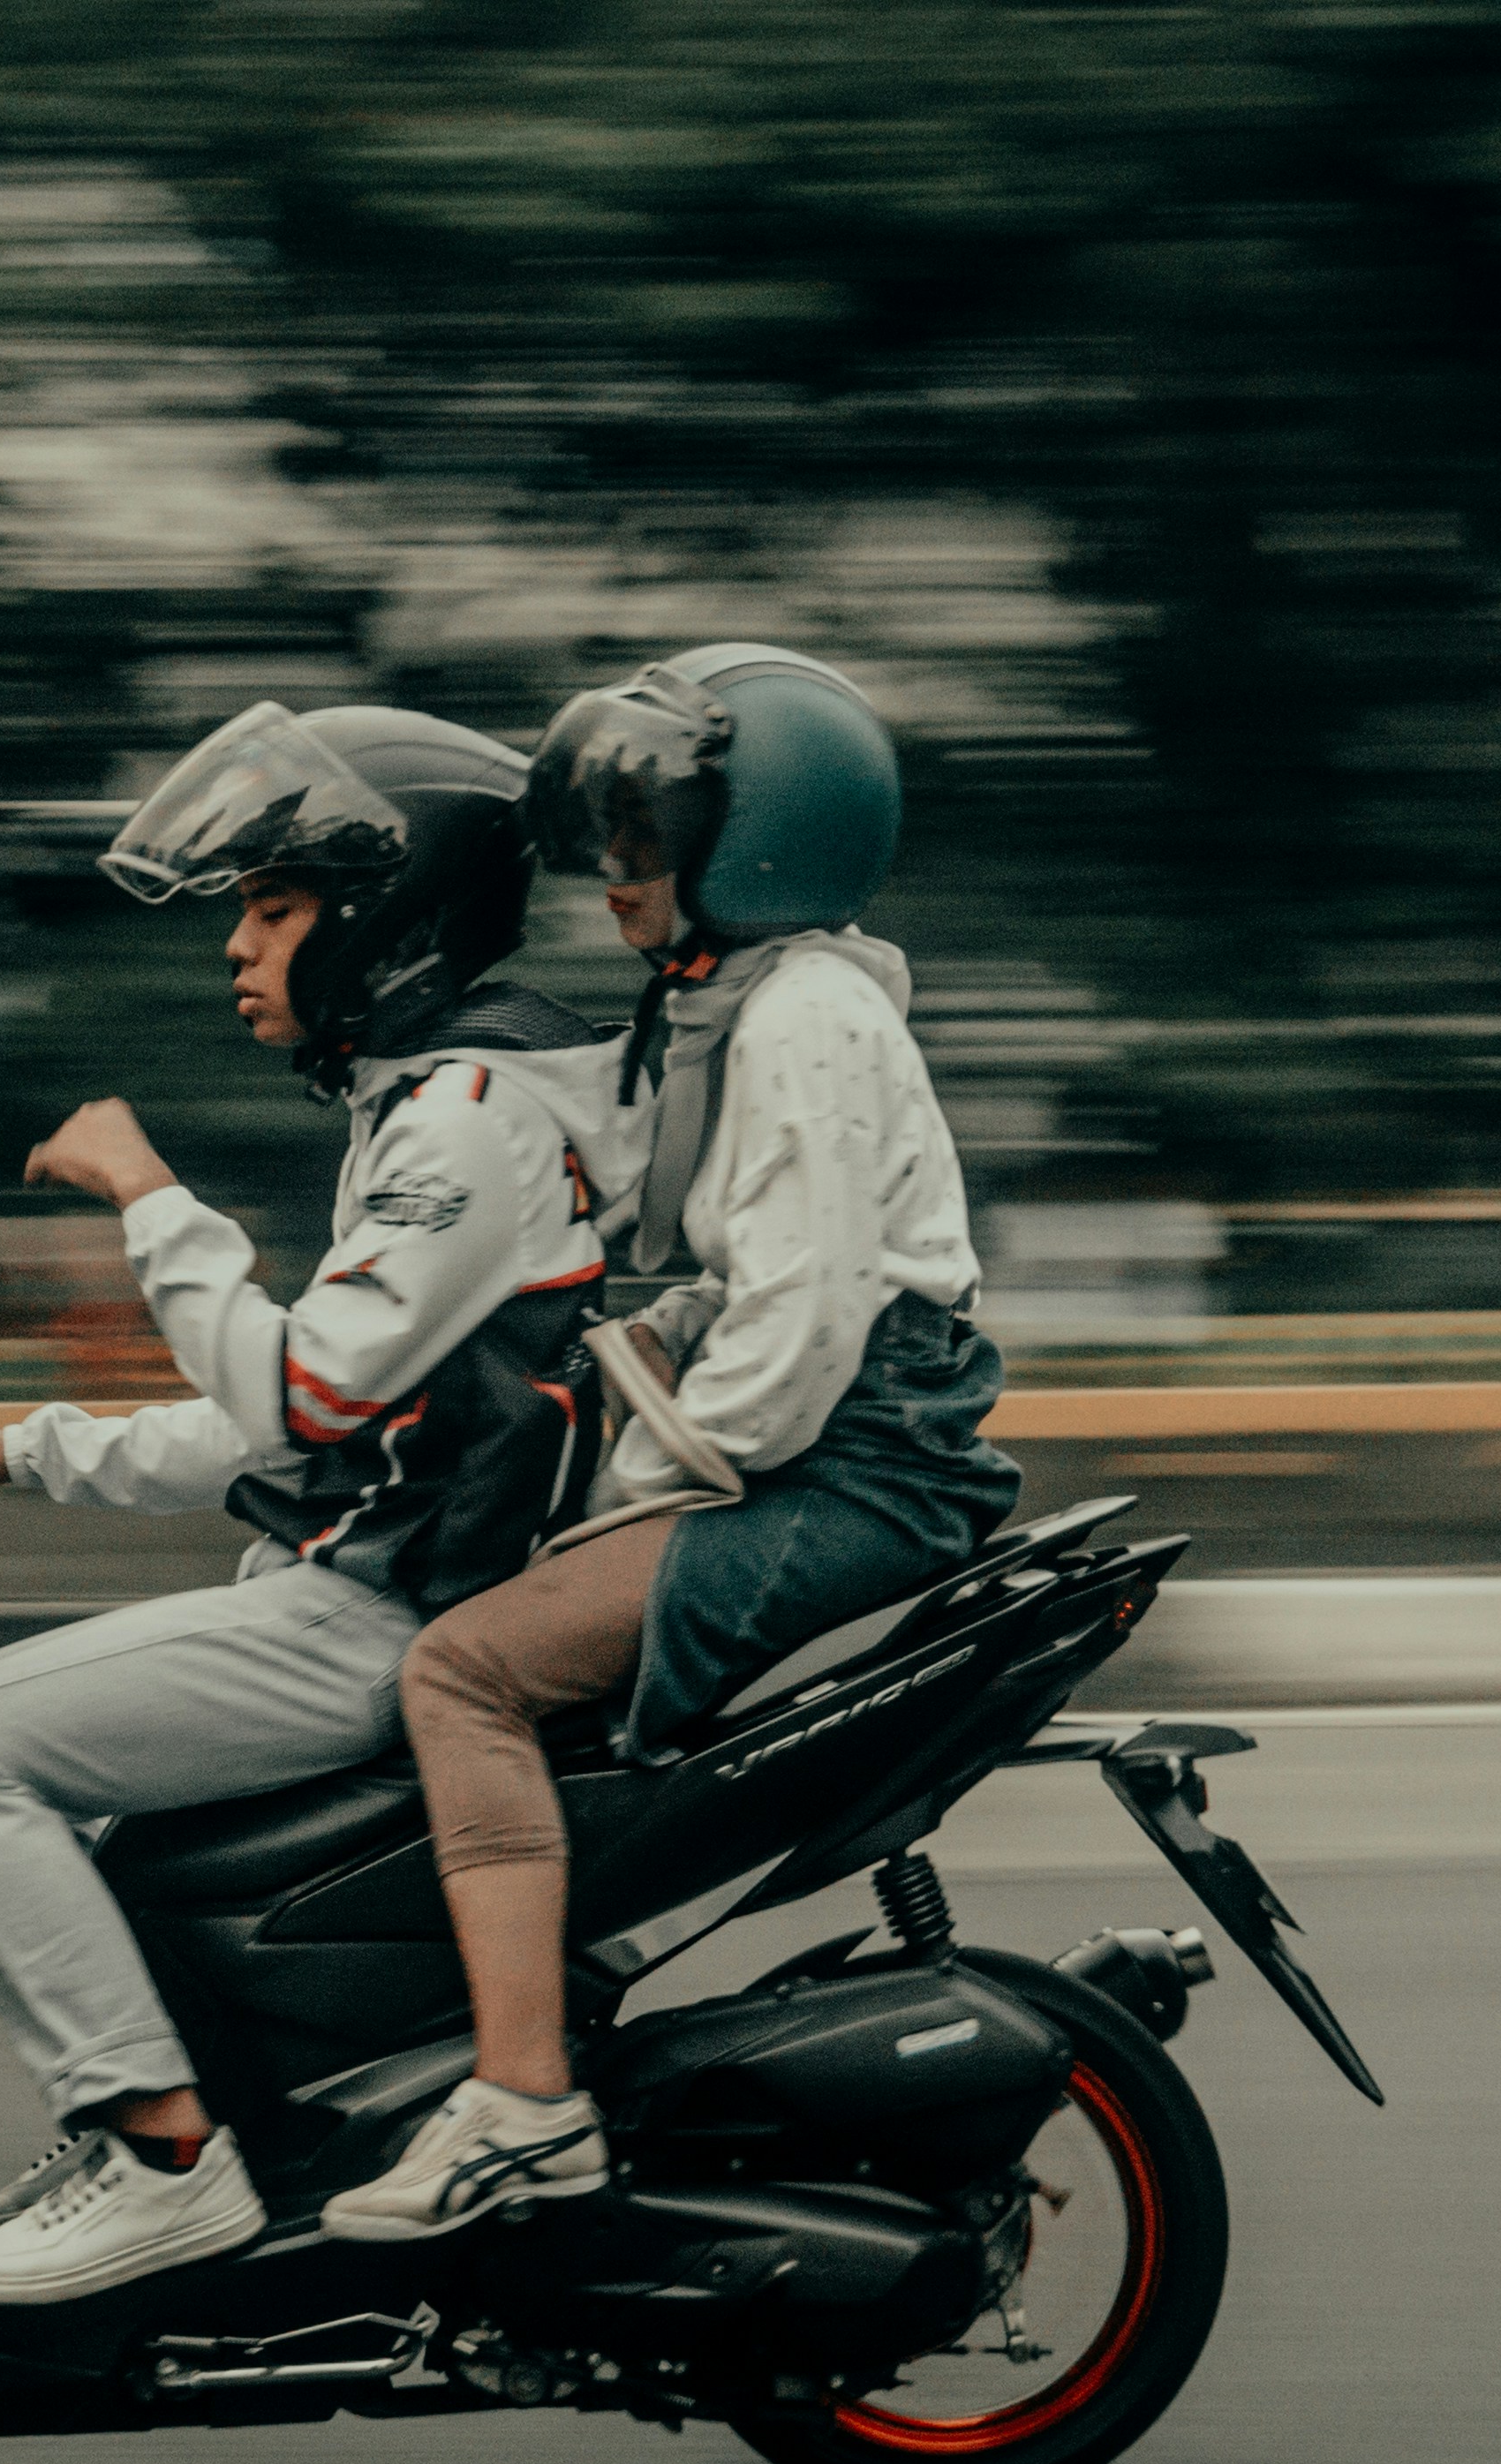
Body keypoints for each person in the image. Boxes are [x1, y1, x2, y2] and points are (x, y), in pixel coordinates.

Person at [0, 702, 645, 2305]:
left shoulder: (466, 1124)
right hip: (366, 1573)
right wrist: (7, 1447)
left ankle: (164, 2156)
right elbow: (303, 1437)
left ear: (385, 917)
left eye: (275, 909)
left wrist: (152, 1199)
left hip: (390, 1615)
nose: (237, 946)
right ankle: (197, 2120)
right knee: (93, 1796)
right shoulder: (438, 1103)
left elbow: (299, 1396)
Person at [322, 645, 1024, 2245]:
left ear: (761, 841)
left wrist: (642, 1489)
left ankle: (523, 2108)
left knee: (464, 1672)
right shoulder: (741, 1005)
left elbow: (798, 1337)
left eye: (654, 837)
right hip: (821, 1452)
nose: (618, 874)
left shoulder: (811, 1022)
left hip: (858, 1474)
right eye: (617, 835)